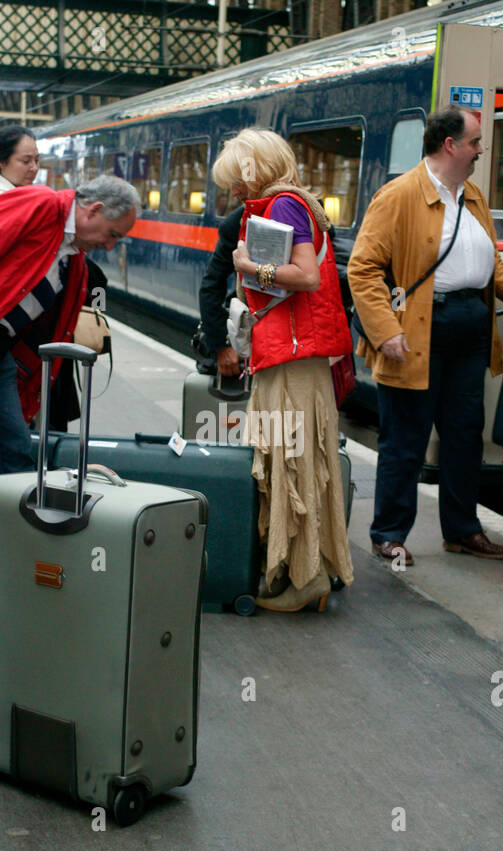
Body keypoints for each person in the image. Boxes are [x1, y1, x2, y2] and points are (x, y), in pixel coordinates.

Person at [349, 106, 503, 567]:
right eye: (474, 142)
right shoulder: (398, 196)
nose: (480, 150)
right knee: (406, 441)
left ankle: (462, 530)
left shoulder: (472, 196)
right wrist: (385, 330)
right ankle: (388, 534)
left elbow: (495, 269)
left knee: (464, 437)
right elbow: (363, 269)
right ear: (449, 145)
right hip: (416, 334)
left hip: (470, 330)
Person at [211, 128, 355, 612]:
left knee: (293, 464)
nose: (232, 191)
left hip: (293, 359)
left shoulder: (283, 206)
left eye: (236, 180)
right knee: (295, 462)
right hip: (290, 355)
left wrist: (251, 269)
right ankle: (299, 571)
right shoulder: (292, 204)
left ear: (255, 170)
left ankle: (305, 578)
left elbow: (306, 277)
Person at [0, 174, 139, 475]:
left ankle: (5, 519)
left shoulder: (72, 255)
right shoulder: (39, 205)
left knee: (14, 450)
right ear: (93, 210)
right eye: (112, 234)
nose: (108, 246)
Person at [196, 202, 245, 376]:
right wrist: (221, 344)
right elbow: (211, 287)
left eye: (238, 183)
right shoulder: (236, 223)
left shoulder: (308, 214)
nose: (234, 191)